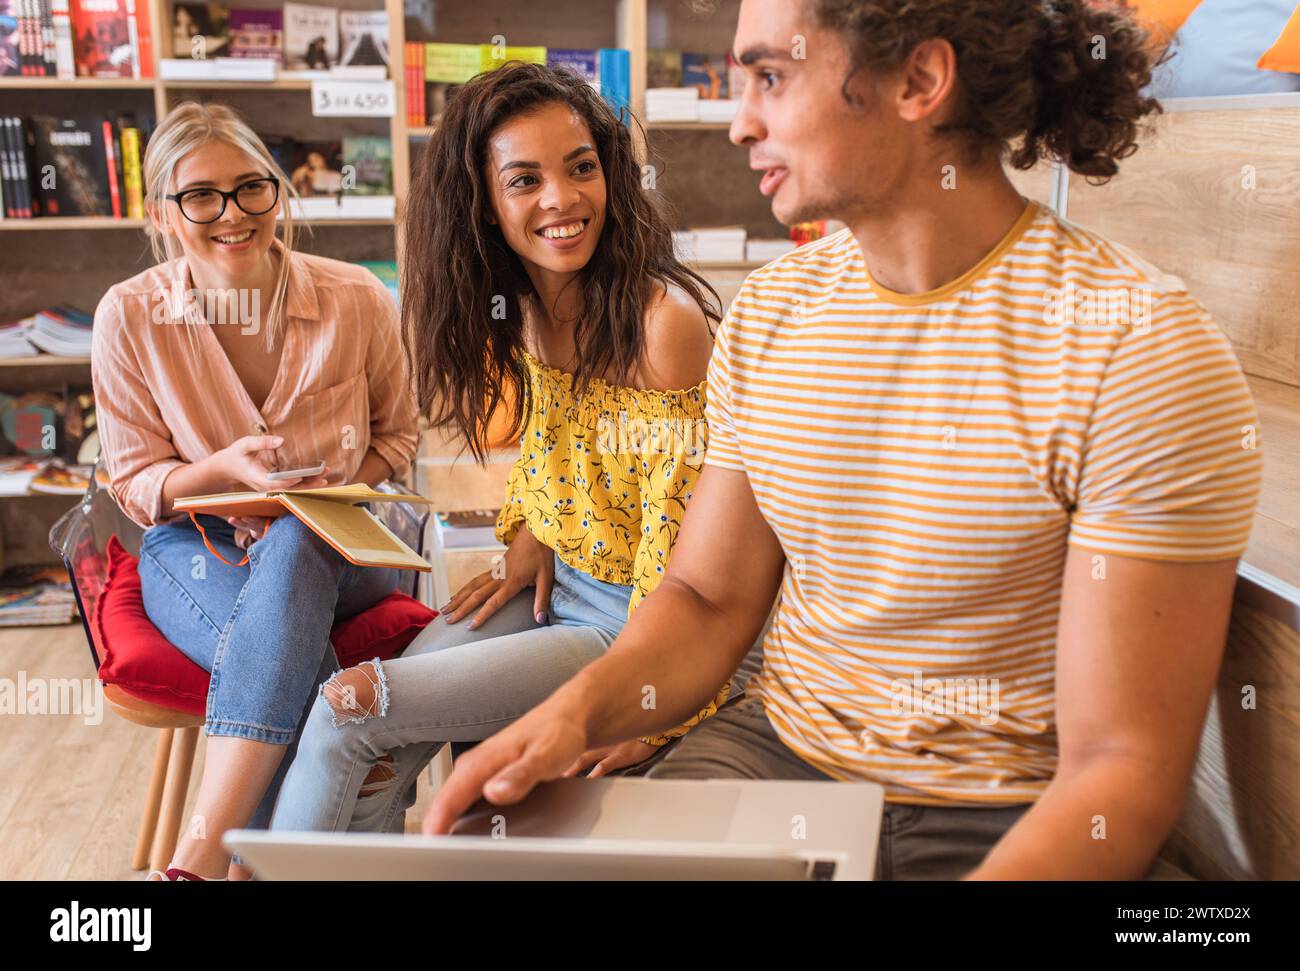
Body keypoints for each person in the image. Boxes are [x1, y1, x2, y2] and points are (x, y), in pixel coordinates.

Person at [423, 0, 1264, 880]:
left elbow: (1118, 771)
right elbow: (708, 597)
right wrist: (575, 714)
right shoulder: (773, 313)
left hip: (1000, 815)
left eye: (772, 77)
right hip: (772, 753)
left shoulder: (1138, 346)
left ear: (919, 82)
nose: (741, 118)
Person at [268, 62, 727, 835]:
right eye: (525, 180)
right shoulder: (519, 307)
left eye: (581, 167)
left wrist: (651, 699)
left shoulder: (664, 324)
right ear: (482, 203)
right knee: (377, 751)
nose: (562, 199)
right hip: (553, 583)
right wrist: (529, 529)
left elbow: (678, 546)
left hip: (633, 625)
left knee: (349, 707)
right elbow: (551, 452)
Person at [91, 101, 419, 880]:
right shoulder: (128, 317)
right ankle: (252, 868)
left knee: (300, 541)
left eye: (251, 188)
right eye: (201, 195)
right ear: (161, 212)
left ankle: (199, 860)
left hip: (346, 548)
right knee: (289, 630)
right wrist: (223, 474)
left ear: (279, 191)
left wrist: (327, 496)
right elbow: (137, 482)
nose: (232, 214)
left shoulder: (359, 299)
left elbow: (398, 439)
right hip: (197, 547)